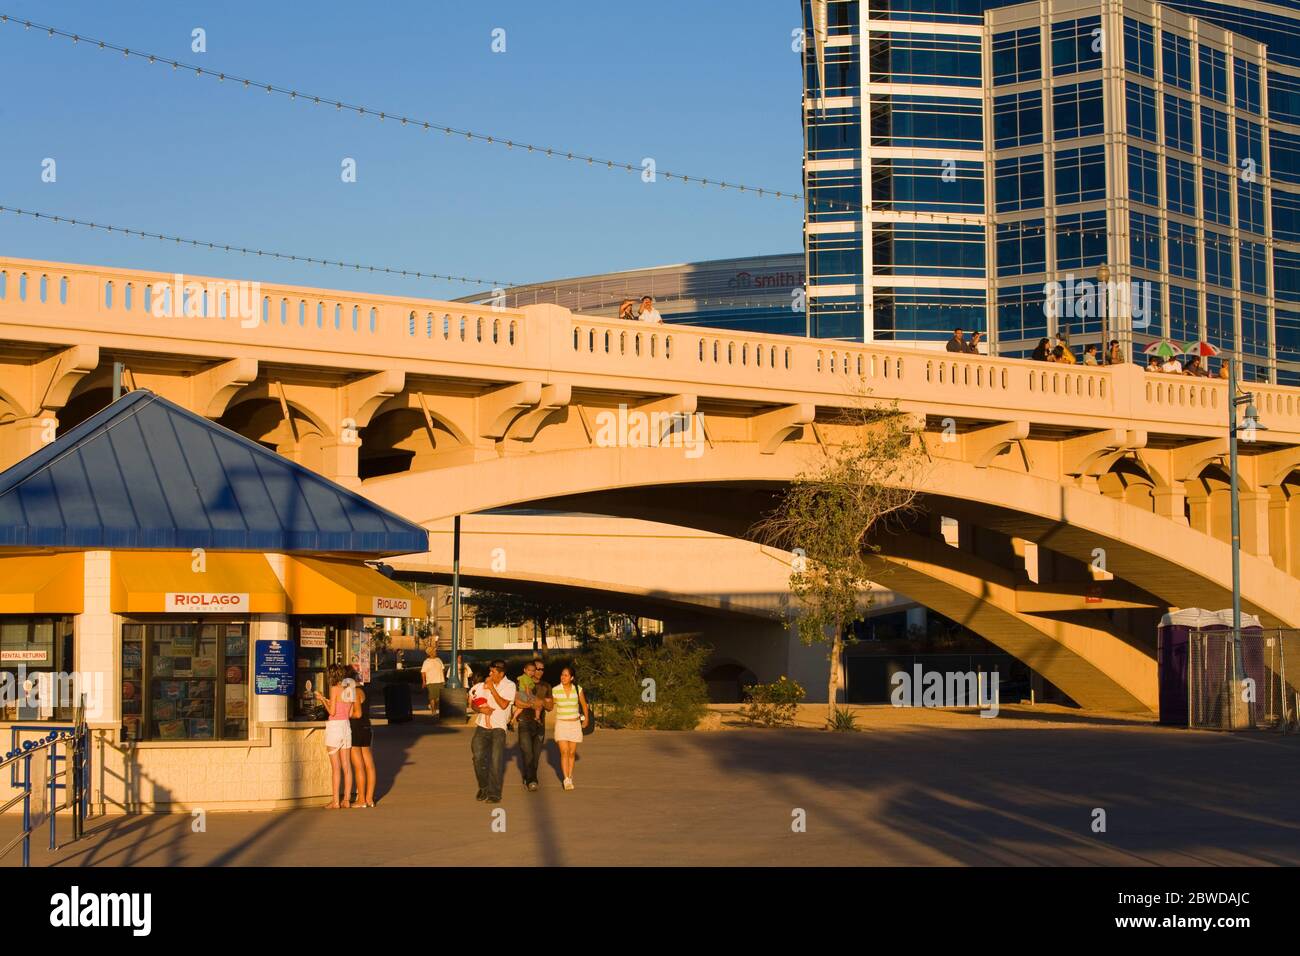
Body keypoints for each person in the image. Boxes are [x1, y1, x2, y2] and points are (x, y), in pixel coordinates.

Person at [469, 659, 516, 804]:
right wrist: (479, 709)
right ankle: (483, 787)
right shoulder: (483, 685)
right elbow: (473, 703)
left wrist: (492, 689)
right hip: (482, 725)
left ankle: (494, 793)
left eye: (493, 672)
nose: (489, 674)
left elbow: (503, 705)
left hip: (498, 728)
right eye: (489, 671)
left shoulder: (510, 685)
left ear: (501, 674)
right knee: (477, 757)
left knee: (496, 761)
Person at [314, 664, 353, 809]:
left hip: (335, 727)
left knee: (336, 767)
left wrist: (322, 700)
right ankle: (347, 800)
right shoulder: (349, 690)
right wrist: (328, 700)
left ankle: (336, 801)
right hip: (346, 727)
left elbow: (332, 712)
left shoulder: (334, 689)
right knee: (347, 766)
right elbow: (348, 713)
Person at [514, 660, 551, 792]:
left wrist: (542, 702)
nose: (539, 671)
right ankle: (532, 780)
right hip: (524, 722)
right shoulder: (522, 683)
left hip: (539, 724)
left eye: (542, 669)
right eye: (537, 669)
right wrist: (531, 704)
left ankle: (528, 776)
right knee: (527, 753)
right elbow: (517, 702)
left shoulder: (546, 686)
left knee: (535, 755)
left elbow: (550, 706)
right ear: (531, 670)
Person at [551, 665, 590, 792]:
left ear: (572, 677)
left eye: (566, 675)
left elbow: (584, 704)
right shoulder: (555, 690)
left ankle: (570, 776)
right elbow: (550, 705)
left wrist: (587, 719)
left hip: (574, 724)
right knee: (564, 752)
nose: (563, 677)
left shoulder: (577, 689)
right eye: (562, 675)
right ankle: (566, 779)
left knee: (572, 753)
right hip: (561, 724)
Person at [347, 666, 375, 808]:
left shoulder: (355, 692)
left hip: (356, 728)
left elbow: (357, 714)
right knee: (369, 765)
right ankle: (369, 799)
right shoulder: (364, 691)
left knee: (359, 767)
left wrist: (344, 715)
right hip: (366, 727)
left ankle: (361, 799)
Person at [420, 648, 445, 720]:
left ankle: (432, 706)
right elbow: (423, 672)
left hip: (440, 680)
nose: (436, 652)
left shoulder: (439, 660)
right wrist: (424, 682)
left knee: (439, 697)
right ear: (430, 653)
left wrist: (443, 679)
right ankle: (433, 711)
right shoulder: (426, 662)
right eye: (434, 651)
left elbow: (442, 669)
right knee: (432, 697)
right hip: (430, 682)